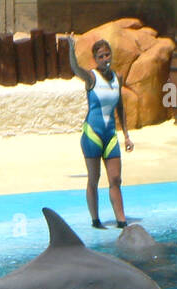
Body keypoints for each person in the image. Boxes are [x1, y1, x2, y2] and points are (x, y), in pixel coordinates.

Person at [67, 37, 134, 229]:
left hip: (110, 136)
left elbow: (119, 107)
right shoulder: (91, 78)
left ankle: (121, 220)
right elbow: (75, 68)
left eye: (107, 54)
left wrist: (126, 136)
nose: (105, 59)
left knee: (115, 179)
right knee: (94, 178)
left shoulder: (117, 78)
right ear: (95, 59)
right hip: (92, 135)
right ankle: (95, 220)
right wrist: (71, 49)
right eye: (101, 56)